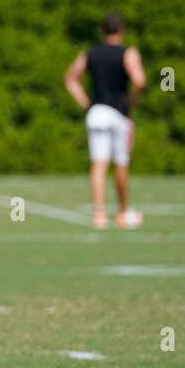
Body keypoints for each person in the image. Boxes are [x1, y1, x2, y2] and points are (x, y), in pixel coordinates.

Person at [63, 11, 146, 229]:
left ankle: (98, 215)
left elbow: (70, 78)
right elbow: (139, 80)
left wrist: (86, 103)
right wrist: (131, 101)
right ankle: (122, 212)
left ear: (102, 31)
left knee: (98, 164)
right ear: (122, 31)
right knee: (120, 164)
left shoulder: (90, 53)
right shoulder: (128, 53)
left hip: (97, 113)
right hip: (119, 113)